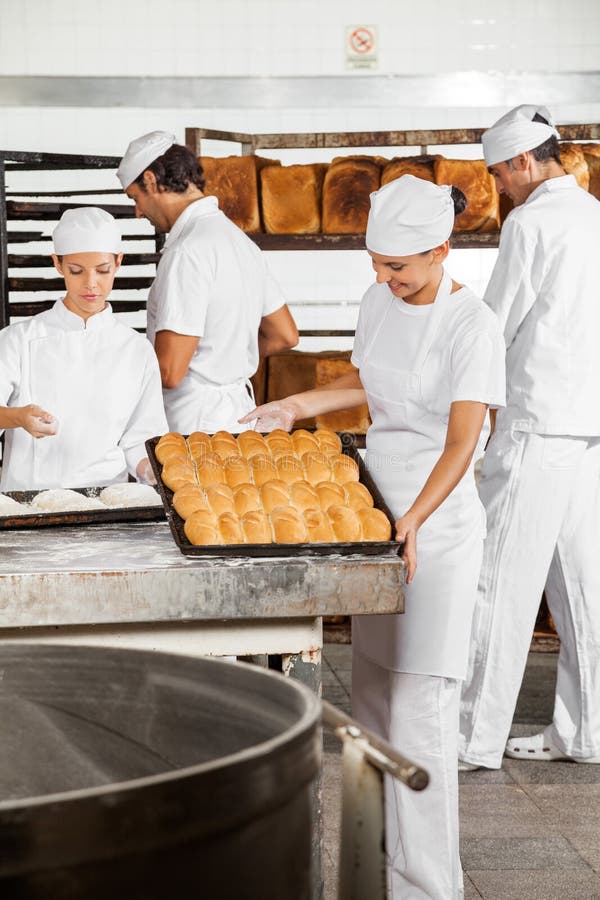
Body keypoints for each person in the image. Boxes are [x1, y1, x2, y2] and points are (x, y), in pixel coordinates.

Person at [240, 174, 506, 899]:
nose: (383, 278)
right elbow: (368, 379)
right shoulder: (376, 301)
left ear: (441, 250)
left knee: (420, 711)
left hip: (438, 527)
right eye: (375, 263)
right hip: (375, 517)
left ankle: (428, 889)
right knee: (375, 706)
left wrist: (416, 518)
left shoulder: (470, 325)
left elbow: (462, 441)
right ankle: (386, 875)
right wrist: (296, 402)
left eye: (398, 267)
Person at [457, 105, 600, 770]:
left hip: (537, 423)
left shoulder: (532, 222)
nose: (499, 189)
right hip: (587, 426)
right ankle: (587, 731)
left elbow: (496, 324)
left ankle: (469, 738)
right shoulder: (593, 216)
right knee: (583, 587)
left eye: (499, 176)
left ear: (521, 162)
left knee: (497, 583)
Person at [116, 131, 299, 434]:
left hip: (193, 424)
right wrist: (224, 360)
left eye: (135, 198)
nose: (137, 212)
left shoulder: (187, 251)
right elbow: (285, 335)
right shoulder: (240, 241)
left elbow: (170, 371)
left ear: (150, 180)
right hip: (240, 418)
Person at [0, 207, 167, 491]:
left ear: (118, 263)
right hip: (26, 503)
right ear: (58, 264)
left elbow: (141, 438)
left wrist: (152, 471)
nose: (91, 284)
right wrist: (18, 417)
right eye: (76, 271)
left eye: (103, 270)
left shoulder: (136, 349)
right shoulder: (18, 340)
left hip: (105, 503)